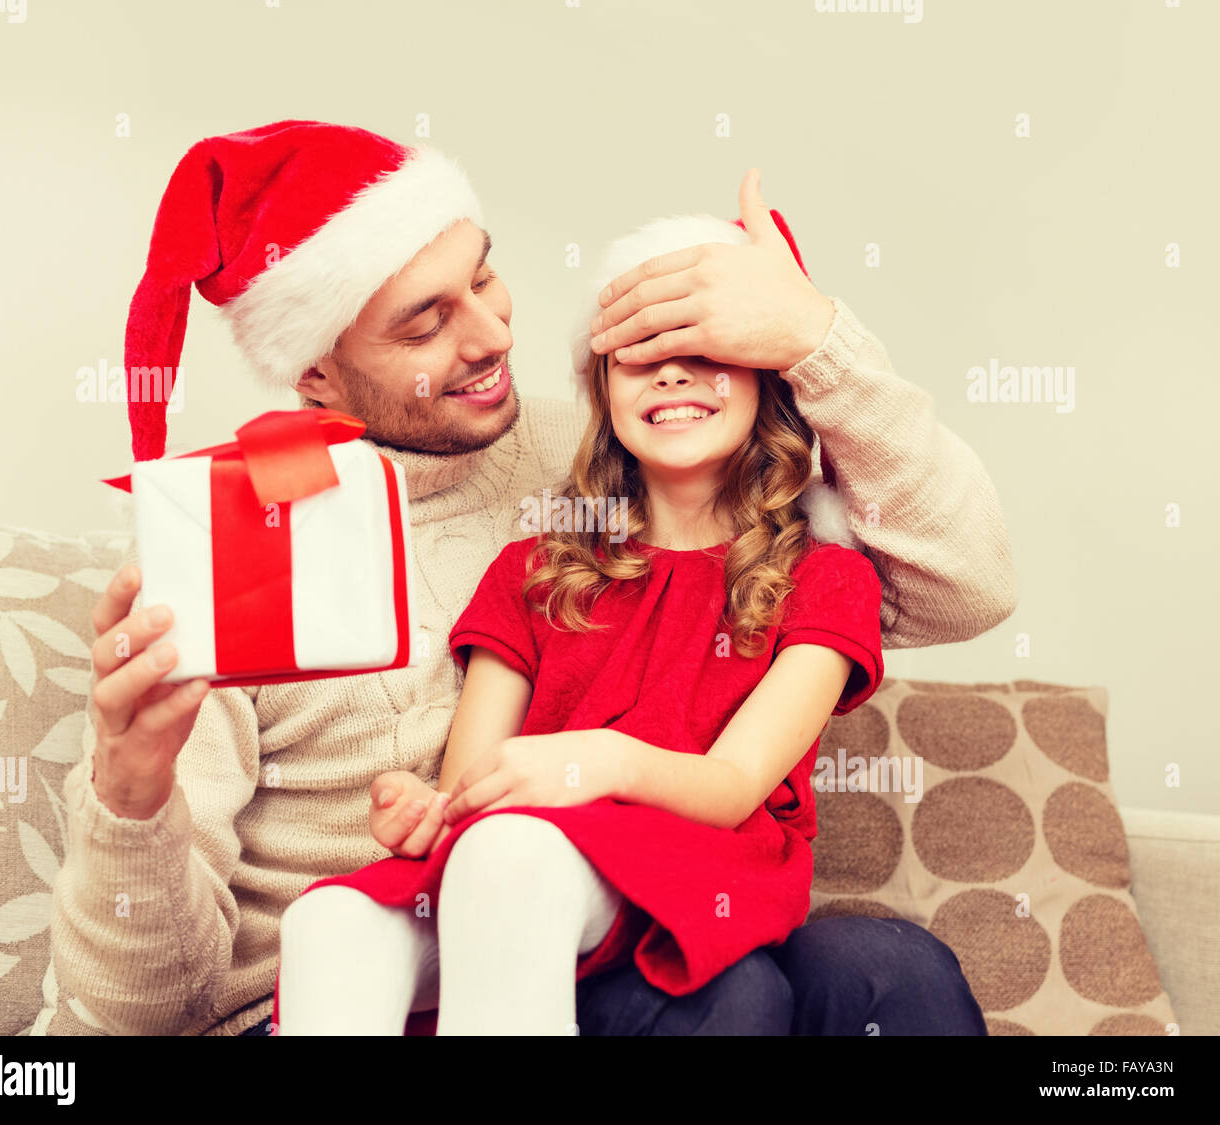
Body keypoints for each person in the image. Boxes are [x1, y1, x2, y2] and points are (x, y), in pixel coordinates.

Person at [51, 120, 1010, 1037]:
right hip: (387, 948)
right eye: (427, 322)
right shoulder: (235, 549)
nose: (493, 336)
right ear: (318, 375)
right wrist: (131, 794)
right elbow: (128, 1016)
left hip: (621, 904)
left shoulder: (606, 462)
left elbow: (967, 584)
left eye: (484, 278)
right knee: (724, 996)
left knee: (888, 973)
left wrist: (812, 337)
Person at [271, 209, 887, 1034]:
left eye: (706, 356)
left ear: (767, 385)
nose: (672, 376)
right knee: (328, 921)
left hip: (697, 858)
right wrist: (428, 809)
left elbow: (735, 785)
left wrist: (593, 762)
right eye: (639, 358)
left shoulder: (824, 576)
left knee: (508, 853)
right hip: (519, 861)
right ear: (603, 390)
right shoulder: (535, 571)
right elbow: (472, 784)